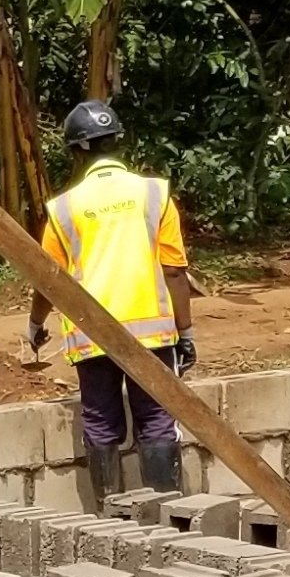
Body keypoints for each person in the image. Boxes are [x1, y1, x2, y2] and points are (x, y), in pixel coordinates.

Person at [24, 102, 195, 498]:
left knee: (101, 423)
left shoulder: (64, 208)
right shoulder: (153, 193)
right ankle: (166, 518)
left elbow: (49, 280)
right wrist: (185, 332)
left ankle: (110, 516)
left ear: (76, 151)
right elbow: (173, 270)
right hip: (151, 337)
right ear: (117, 141)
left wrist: (35, 324)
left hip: (92, 337)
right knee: (155, 420)